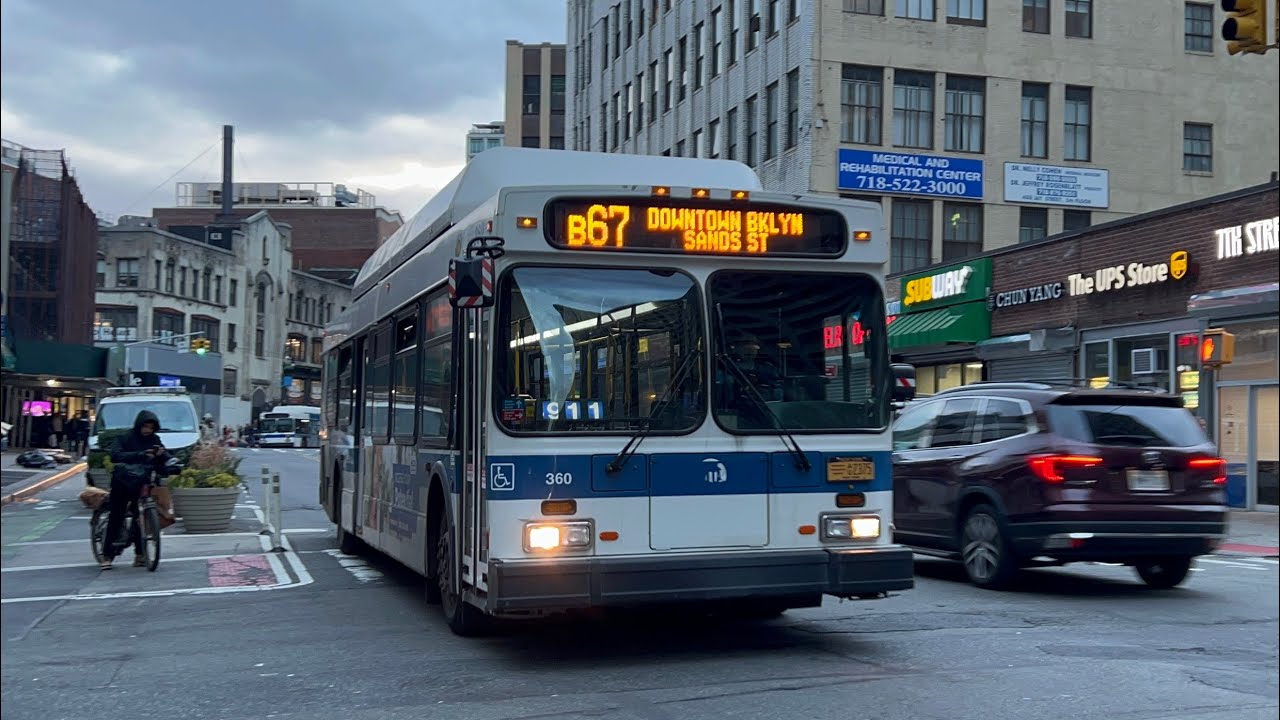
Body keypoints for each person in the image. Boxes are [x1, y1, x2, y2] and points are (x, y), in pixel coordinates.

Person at [101, 410, 168, 570]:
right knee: (116, 516)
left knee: (141, 518)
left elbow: (163, 457)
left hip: (142, 482)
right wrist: (140, 455)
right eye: (145, 426)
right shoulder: (125, 438)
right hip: (122, 483)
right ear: (139, 425)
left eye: (151, 427)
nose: (148, 430)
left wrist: (163, 456)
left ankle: (140, 554)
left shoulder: (155, 440)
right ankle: (107, 555)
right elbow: (116, 455)